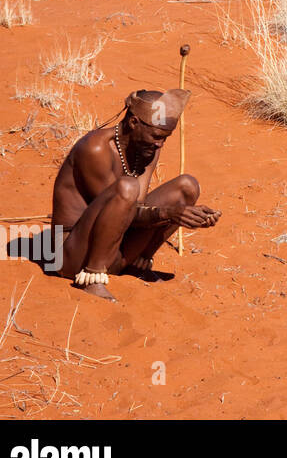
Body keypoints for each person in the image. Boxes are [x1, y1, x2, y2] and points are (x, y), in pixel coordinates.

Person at [51, 89, 220, 301]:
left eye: (165, 138)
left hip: (115, 246)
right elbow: (128, 205)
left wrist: (188, 215)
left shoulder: (149, 148)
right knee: (127, 187)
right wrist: (168, 214)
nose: (160, 144)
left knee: (187, 186)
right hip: (70, 255)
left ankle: (138, 263)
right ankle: (93, 277)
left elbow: (136, 208)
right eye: (157, 136)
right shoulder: (95, 149)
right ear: (133, 123)